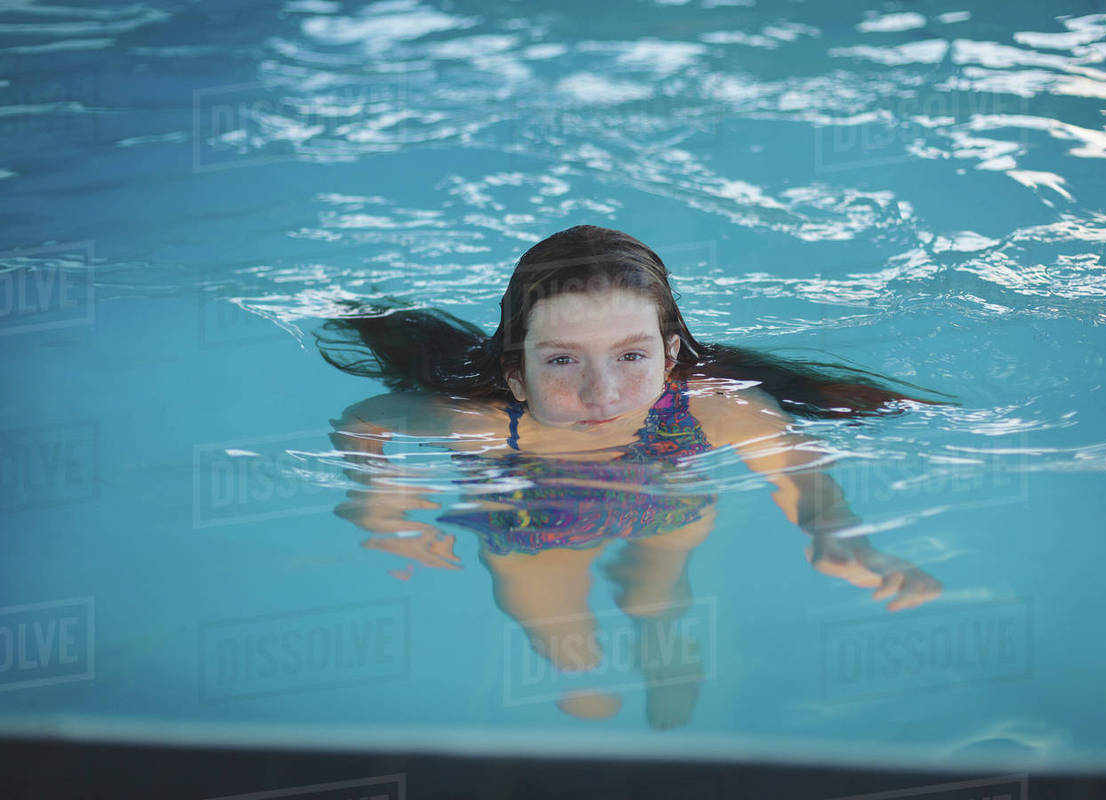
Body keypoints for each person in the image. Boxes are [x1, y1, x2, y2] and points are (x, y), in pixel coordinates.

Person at [320, 225, 946, 726]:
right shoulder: (479, 425)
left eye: (631, 356)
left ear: (670, 355)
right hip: (529, 518)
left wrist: (837, 533)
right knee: (560, 635)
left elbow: (797, 465)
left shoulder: (717, 408)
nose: (604, 393)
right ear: (516, 375)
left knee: (659, 589)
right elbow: (362, 423)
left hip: (663, 500)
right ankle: (580, 684)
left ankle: (658, 620)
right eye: (562, 360)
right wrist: (374, 494)